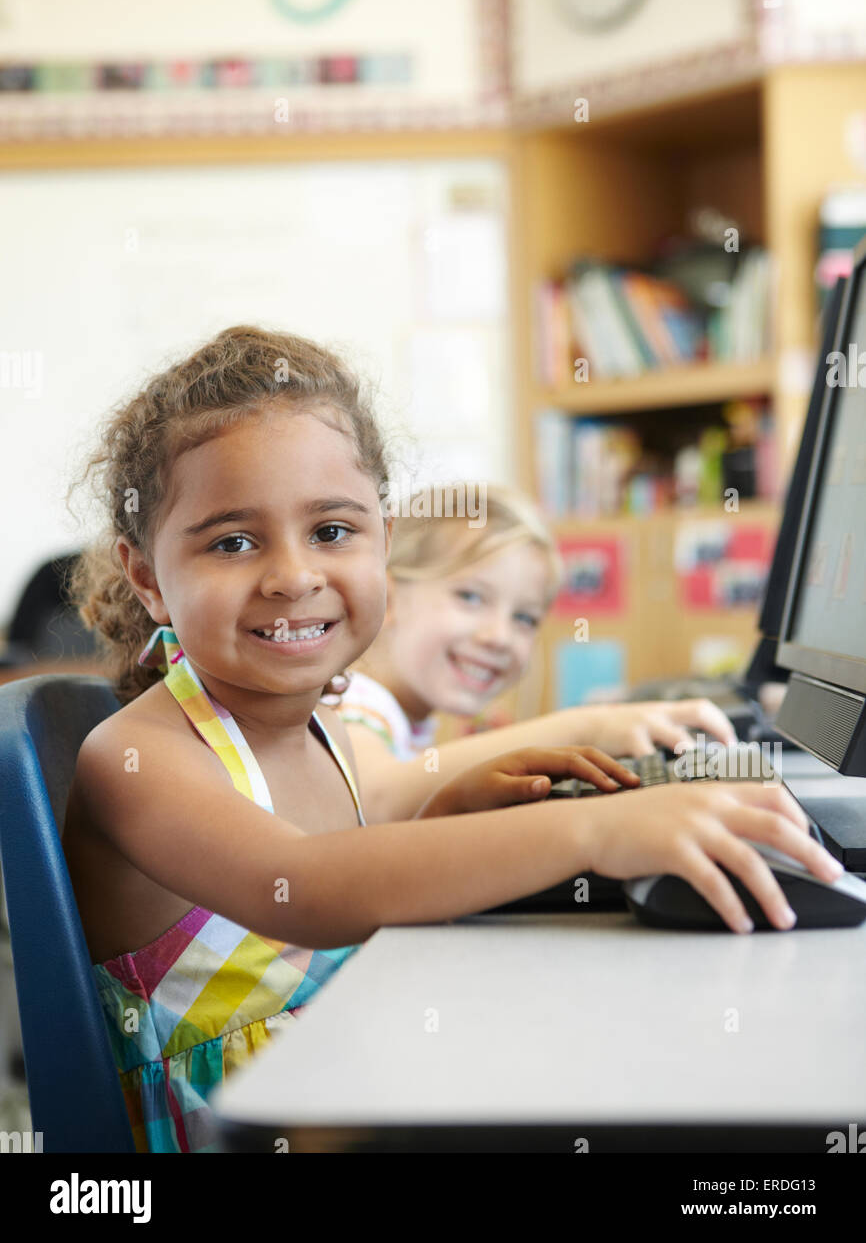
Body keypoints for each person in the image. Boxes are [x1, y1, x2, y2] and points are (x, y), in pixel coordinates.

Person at [62, 325, 841, 1153]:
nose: (294, 575)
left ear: (385, 547)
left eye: (332, 531)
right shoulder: (135, 759)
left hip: (354, 1083)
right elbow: (301, 887)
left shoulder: (324, 728)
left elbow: (345, 887)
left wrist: (443, 814)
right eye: (233, 541)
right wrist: (593, 828)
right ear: (147, 578)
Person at [324, 484, 744, 798]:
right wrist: (586, 727)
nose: (499, 636)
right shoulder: (353, 703)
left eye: (524, 618)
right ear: (387, 596)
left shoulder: (403, 716)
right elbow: (375, 797)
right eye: (470, 597)